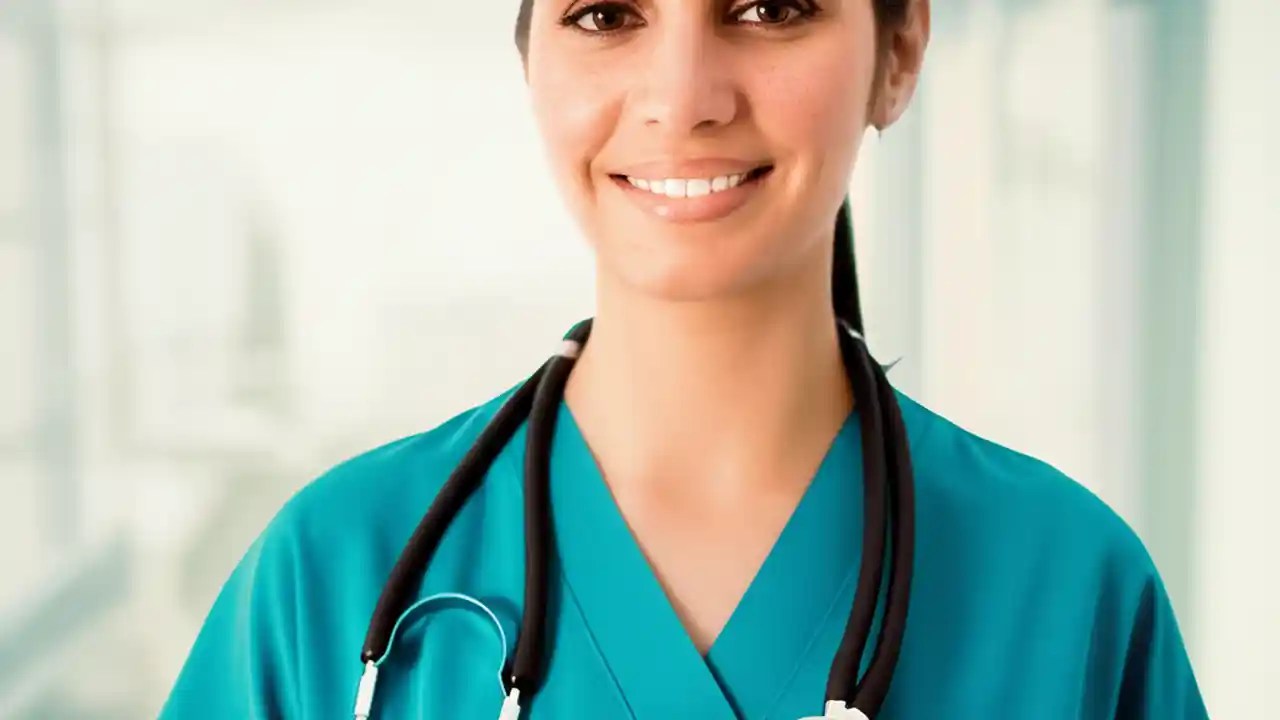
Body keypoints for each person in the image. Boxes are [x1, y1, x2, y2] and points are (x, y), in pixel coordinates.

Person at [159, 1, 1209, 718]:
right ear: (531, 61)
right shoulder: (336, 573)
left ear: (896, 54)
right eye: (606, 15)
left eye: (766, 6)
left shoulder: (1065, 585)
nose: (682, 97)